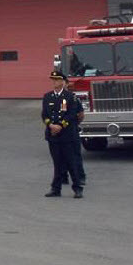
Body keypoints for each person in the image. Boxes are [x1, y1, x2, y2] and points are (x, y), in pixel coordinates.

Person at [42, 70, 84, 199]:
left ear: (62, 82)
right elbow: (44, 114)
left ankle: (77, 188)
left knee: (71, 162)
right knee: (57, 163)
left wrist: (60, 125)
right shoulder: (47, 96)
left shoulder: (70, 97)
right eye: (53, 80)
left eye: (57, 80)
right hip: (53, 135)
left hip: (67, 135)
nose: (54, 82)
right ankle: (56, 189)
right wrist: (50, 125)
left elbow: (72, 114)